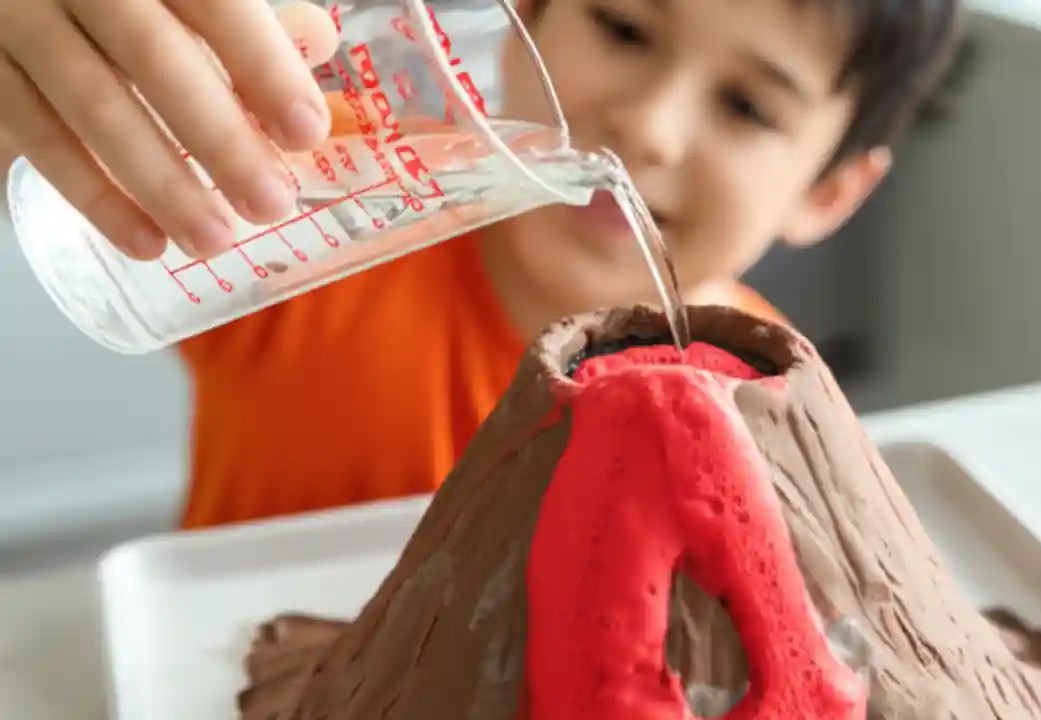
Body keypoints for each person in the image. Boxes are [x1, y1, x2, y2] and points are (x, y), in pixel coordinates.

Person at [0, 0, 960, 528]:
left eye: (747, 107)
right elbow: (71, 151)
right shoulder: (337, 210)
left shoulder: (773, 397)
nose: (650, 127)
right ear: (527, 20)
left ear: (829, 192)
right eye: (624, 29)